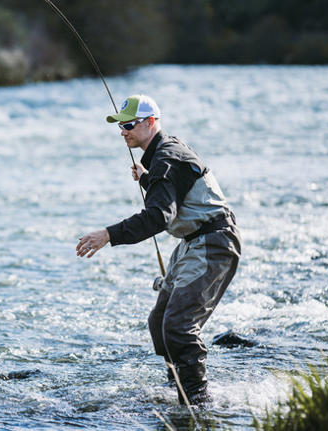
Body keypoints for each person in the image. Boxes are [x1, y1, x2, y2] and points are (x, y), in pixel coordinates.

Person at [75, 94, 241, 405]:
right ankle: (176, 384)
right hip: (195, 239)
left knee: (178, 327)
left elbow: (159, 216)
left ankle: (197, 404)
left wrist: (108, 235)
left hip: (214, 241)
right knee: (159, 322)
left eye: (128, 124)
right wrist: (148, 179)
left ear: (151, 123)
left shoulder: (165, 157)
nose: (122, 131)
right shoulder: (165, 153)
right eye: (119, 126)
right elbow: (173, 191)